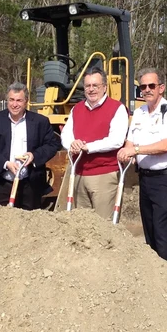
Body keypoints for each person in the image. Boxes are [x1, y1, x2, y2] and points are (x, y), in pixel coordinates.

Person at [117, 67, 167, 259]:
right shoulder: (139, 113)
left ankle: (165, 273)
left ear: (161, 88)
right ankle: (155, 274)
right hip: (145, 178)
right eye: (143, 87)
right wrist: (125, 152)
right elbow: (131, 140)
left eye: (151, 86)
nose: (147, 90)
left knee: (162, 228)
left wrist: (135, 150)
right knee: (149, 228)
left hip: (166, 180)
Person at [60, 66, 130, 219]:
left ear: (104, 87)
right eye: (87, 86)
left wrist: (87, 147)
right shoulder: (77, 109)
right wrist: (72, 143)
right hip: (79, 174)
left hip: (104, 175)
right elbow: (66, 133)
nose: (91, 90)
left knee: (103, 224)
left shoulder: (117, 109)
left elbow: (116, 140)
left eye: (95, 86)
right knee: (82, 224)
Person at [0, 83, 62, 210]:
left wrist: (34, 156)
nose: (14, 104)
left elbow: (53, 144)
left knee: (29, 224)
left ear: (26, 102)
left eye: (19, 100)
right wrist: (6, 163)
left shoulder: (40, 122)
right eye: (11, 100)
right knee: (1, 222)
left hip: (30, 184)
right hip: (2, 182)